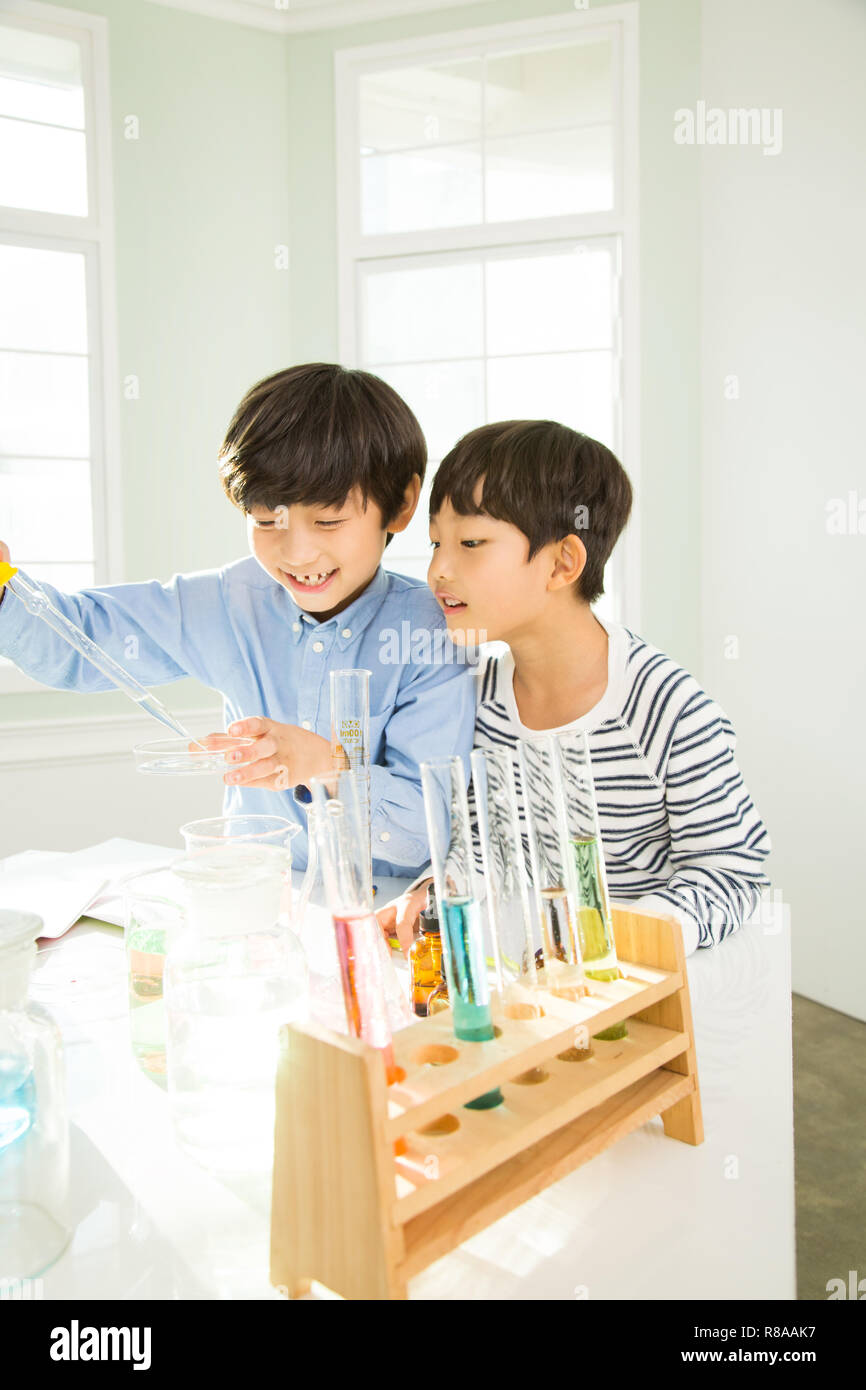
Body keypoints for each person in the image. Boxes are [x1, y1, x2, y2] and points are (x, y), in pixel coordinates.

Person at [0, 363, 476, 876]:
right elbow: (78, 645)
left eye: (329, 521)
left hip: (388, 929)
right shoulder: (230, 601)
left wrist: (325, 765)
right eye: (267, 521)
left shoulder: (432, 630)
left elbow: (425, 833)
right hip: (260, 905)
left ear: (401, 506)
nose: (296, 553)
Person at [377, 418, 771, 950]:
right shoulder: (475, 697)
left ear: (563, 562)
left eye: (470, 542)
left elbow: (733, 872)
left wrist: (621, 940)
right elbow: (473, 844)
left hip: (635, 996)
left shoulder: (670, 710)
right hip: (526, 995)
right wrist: (437, 891)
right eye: (434, 545)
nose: (438, 570)